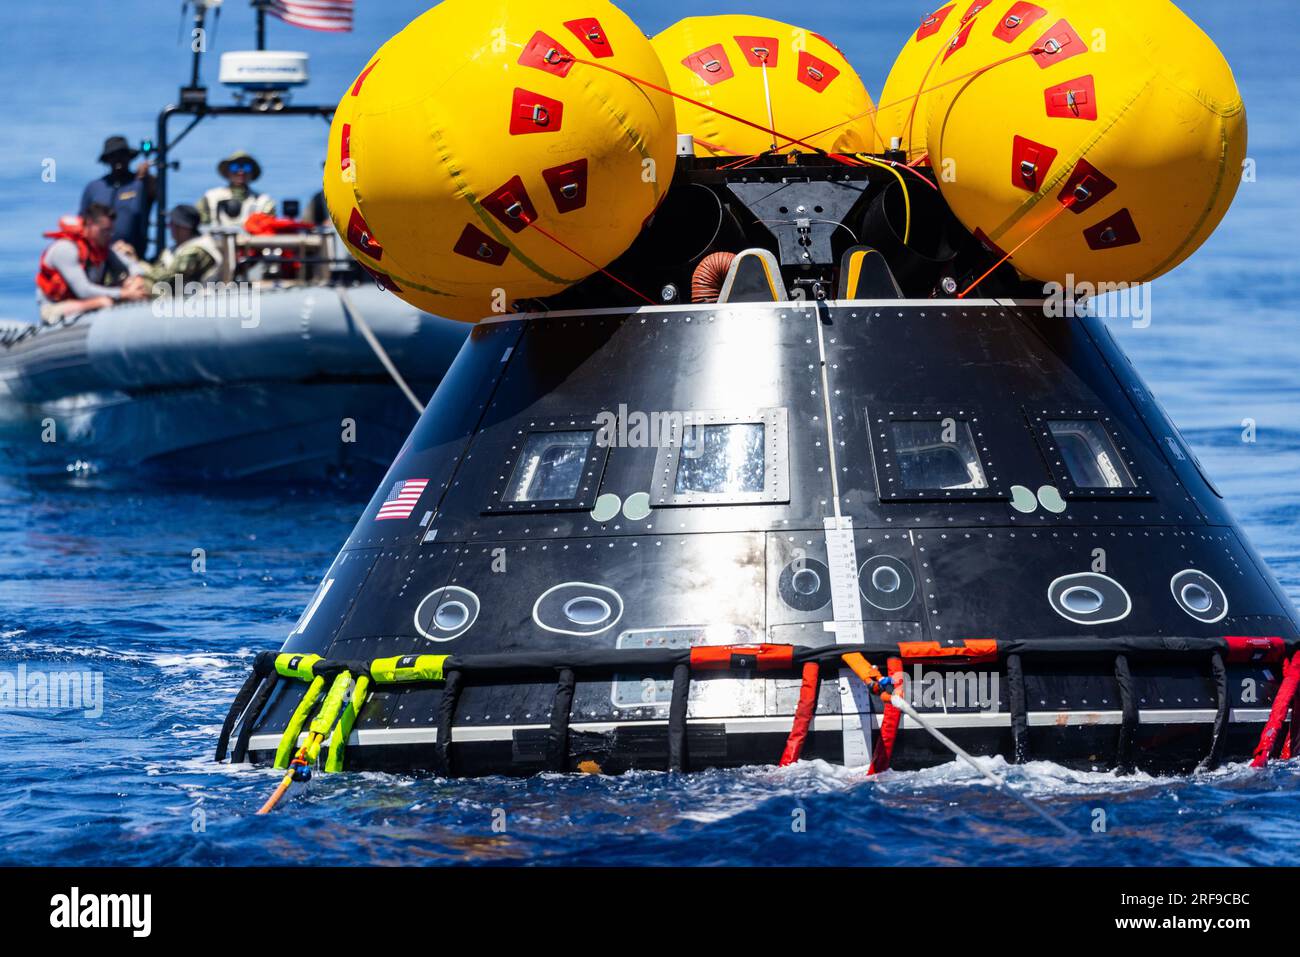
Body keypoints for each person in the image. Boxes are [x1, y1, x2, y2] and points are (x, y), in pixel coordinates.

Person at [35, 204, 148, 323]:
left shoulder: (101, 248)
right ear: (89, 224)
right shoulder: (66, 249)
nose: (109, 235)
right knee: (104, 302)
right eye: (104, 230)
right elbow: (84, 291)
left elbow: (132, 265)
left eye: (111, 230)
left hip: (87, 302)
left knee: (130, 285)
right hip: (55, 308)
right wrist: (123, 293)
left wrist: (137, 279)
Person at [80, 135, 156, 259]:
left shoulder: (139, 184)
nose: (118, 160)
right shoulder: (94, 187)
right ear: (107, 159)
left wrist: (146, 177)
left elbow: (155, 193)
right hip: (97, 258)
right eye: (113, 156)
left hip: (133, 257)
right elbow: (82, 222)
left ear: (129, 157)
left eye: (122, 155)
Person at [138, 204, 225, 294]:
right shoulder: (176, 247)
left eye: (172, 223)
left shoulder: (197, 249)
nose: (169, 226)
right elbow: (158, 270)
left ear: (183, 228)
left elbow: (169, 278)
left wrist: (139, 268)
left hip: (197, 302)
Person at [197, 151, 276, 228]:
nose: (241, 172)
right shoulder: (210, 197)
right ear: (227, 171)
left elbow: (269, 230)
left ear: (252, 173)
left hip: (252, 241)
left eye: (246, 167)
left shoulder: (263, 201)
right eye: (235, 167)